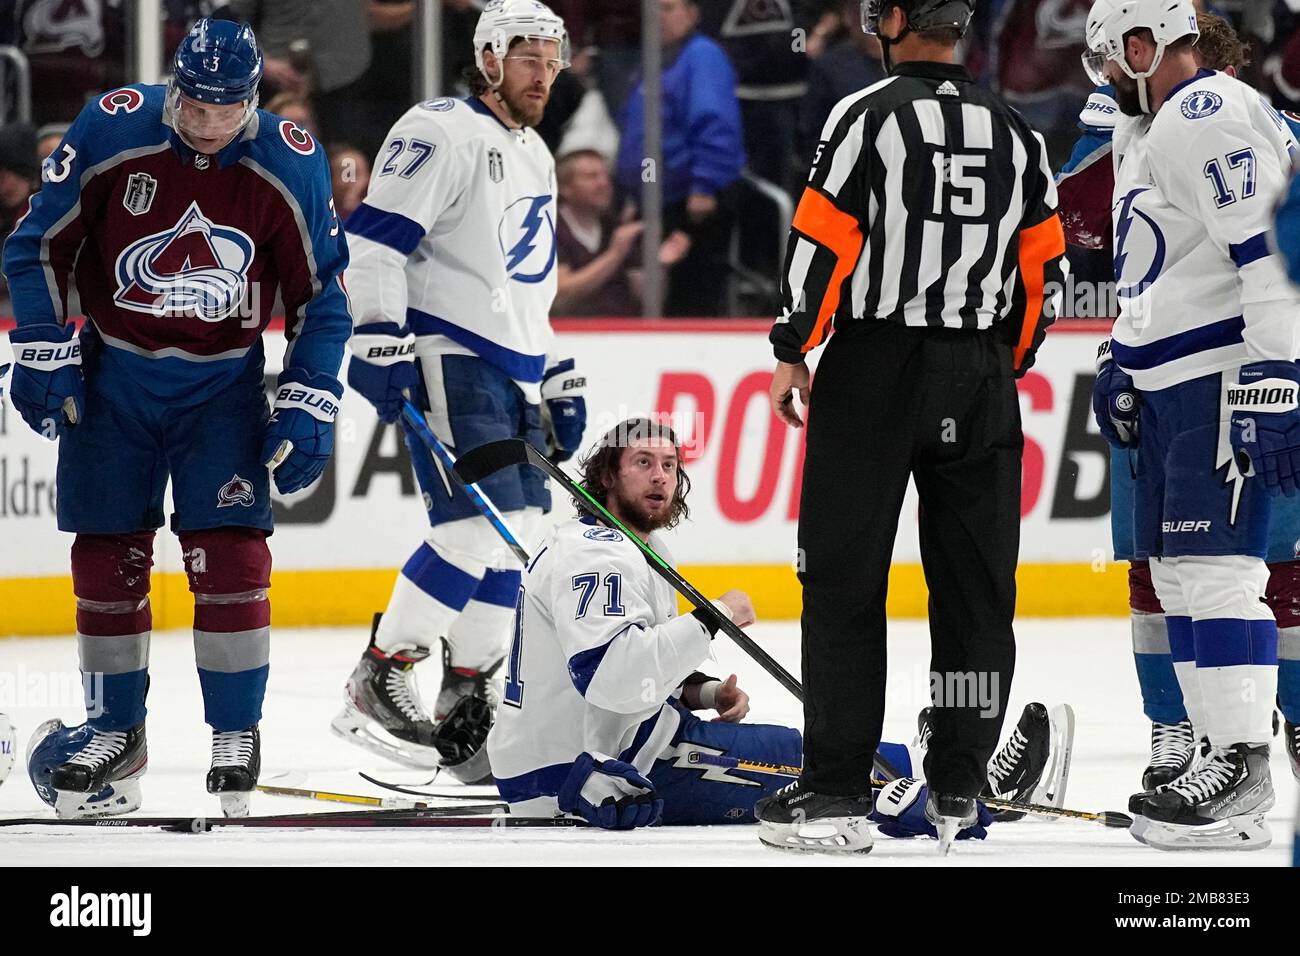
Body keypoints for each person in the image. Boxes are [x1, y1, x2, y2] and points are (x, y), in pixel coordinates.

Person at [10, 18, 350, 818]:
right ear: (172, 86)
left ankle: (236, 733)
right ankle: (114, 731)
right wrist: (38, 341)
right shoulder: (112, 123)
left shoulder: (290, 160)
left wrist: (310, 395)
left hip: (220, 387)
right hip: (113, 374)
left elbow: (322, 295)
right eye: (191, 103)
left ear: (253, 102)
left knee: (229, 552)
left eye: (222, 109)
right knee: (106, 550)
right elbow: (39, 246)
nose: (203, 122)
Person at [759, 0, 1066, 852]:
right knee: (974, 595)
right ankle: (961, 786)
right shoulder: (1014, 127)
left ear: (894, 20)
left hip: (874, 369)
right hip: (980, 374)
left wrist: (794, 347)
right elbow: (1044, 263)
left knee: (845, 583)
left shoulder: (866, 113)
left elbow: (823, 236)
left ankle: (834, 794)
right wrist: (1006, 360)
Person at [488, 419, 1054, 842]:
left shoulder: (627, 545)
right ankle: (975, 791)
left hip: (627, 743)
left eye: (669, 464)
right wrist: (711, 618)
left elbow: (623, 673)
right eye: (642, 463)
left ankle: (936, 767)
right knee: (817, 779)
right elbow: (611, 679)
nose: (661, 476)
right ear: (607, 475)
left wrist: (701, 692)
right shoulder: (596, 556)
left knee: (808, 753)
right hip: (585, 772)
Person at [333, 0, 586, 784]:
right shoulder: (437, 128)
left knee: (524, 534)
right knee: (478, 529)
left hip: (512, 368)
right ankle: (381, 673)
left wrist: (552, 369)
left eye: (552, 59)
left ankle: (466, 695)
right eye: (525, 57)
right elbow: (373, 241)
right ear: (487, 59)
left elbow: (526, 280)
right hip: (449, 354)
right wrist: (378, 332)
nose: (541, 73)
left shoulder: (536, 153)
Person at [1059, 12, 1300, 795]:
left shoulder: (1208, 111)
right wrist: (1122, 357)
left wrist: (1277, 373)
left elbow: (1264, 250)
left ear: (1142, 44)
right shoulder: (1155, 128)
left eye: (1107, 57)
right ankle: (1211, 756)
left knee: (1220, 567)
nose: (1101, 76)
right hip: (1173, 373)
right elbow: (1157, 265)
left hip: (1222, 371)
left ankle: (1241, 766)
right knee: (1180, 571)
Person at [615, 0, 745, 316]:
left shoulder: (701, 56)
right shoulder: (655, 61)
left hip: (690, 201)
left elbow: (714, 120)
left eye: (669, 8)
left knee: (690, 297)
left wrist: (704, 185)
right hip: (655, 198)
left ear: (692, 13)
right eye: (654, 9)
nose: (659, 17)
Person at [554, 149, 642, 316]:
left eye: (605, 175)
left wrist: (660, 264)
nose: (603, 183)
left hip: (624, 333)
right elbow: (561, 296)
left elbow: (641, 295)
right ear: (565, 187)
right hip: (571, 335)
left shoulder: (615, 226)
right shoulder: (550, 228)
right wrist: (614, 255)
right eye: (591, 176)